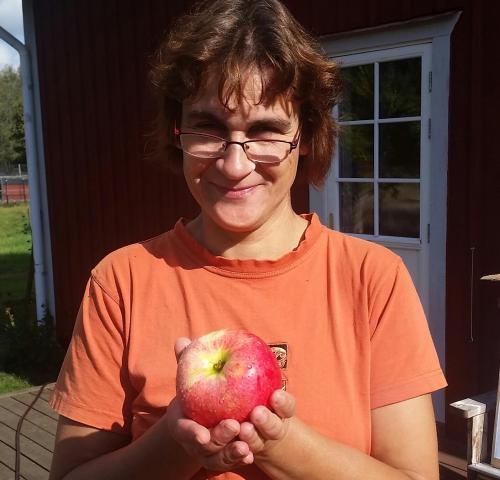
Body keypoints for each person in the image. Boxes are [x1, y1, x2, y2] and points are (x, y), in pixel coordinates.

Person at [48, 0, 447, 479]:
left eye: (266, 131)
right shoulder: (122, 282)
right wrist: (177, 439)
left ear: (306, 136)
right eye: (208, 128)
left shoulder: (372, 279)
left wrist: (278, 443)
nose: (235, 164)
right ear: (177, 132)